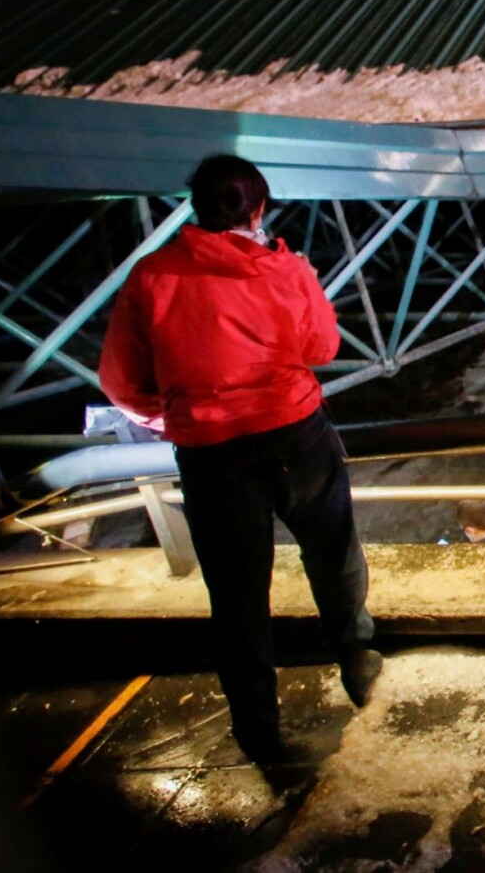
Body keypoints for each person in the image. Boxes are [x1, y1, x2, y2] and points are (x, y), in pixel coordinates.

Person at [99, 153, 380, 763]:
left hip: (212, 456)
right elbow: (323, 346)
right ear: (259, 208)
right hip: (296, 435)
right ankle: (356, 656)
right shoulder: (285, 268)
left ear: (196, 207)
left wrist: (169, 416)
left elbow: (120, 383)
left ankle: (259, 731)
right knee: (333, 552)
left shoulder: (151, 276)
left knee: (236, 596)